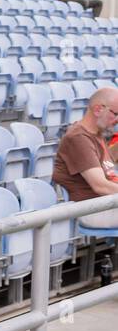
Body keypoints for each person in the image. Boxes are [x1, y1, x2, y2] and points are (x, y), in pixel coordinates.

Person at [52, 87, 118, 227]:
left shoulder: (97, 133)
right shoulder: (78, 138)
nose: (117, 121)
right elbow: (100, 186)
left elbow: (107, 166)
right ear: (98, 109)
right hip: (93, 209)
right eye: (116, 114)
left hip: (107, 204)